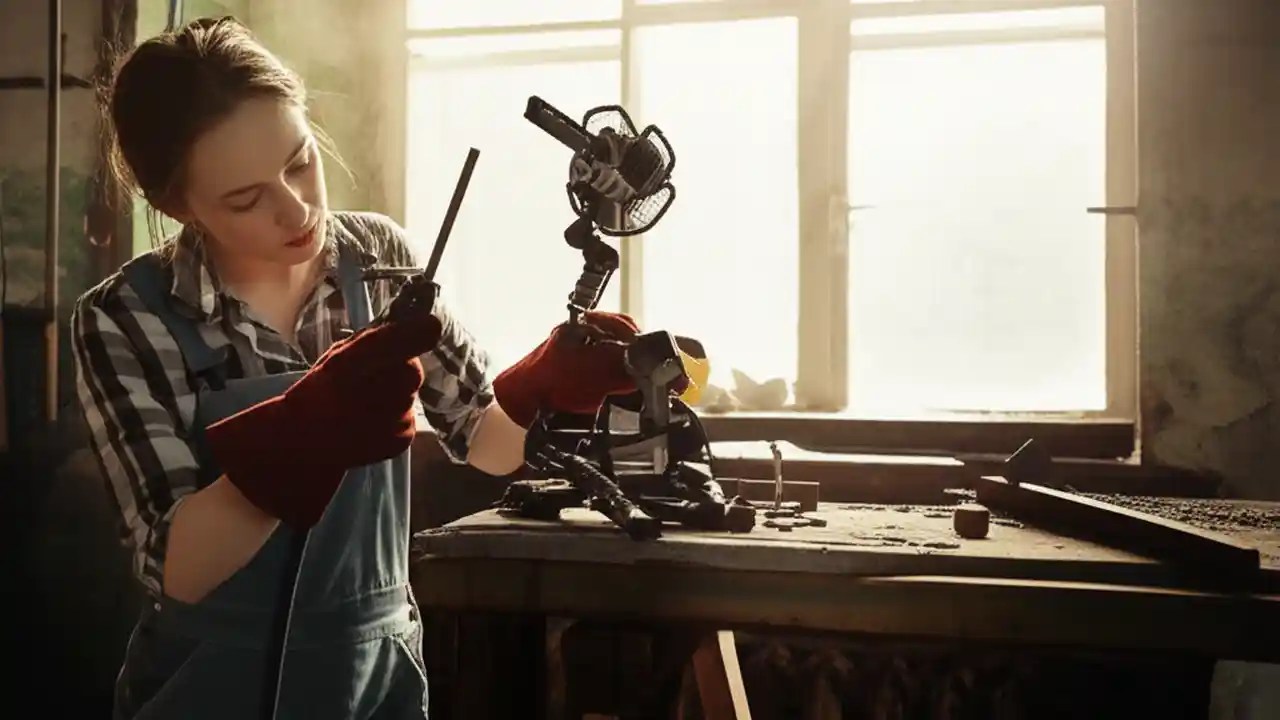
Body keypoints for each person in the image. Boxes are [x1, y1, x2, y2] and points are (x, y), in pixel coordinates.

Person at [72, 16, 641, 719]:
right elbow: (176, 567)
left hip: (371, 678)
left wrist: (539, 386)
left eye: (299, 160)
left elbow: (488, 445)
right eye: (246, 199)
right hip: (208, 685)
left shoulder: (380, 261)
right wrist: (306, 431)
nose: (297, 209)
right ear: (173, 205)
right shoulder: (126, 317)